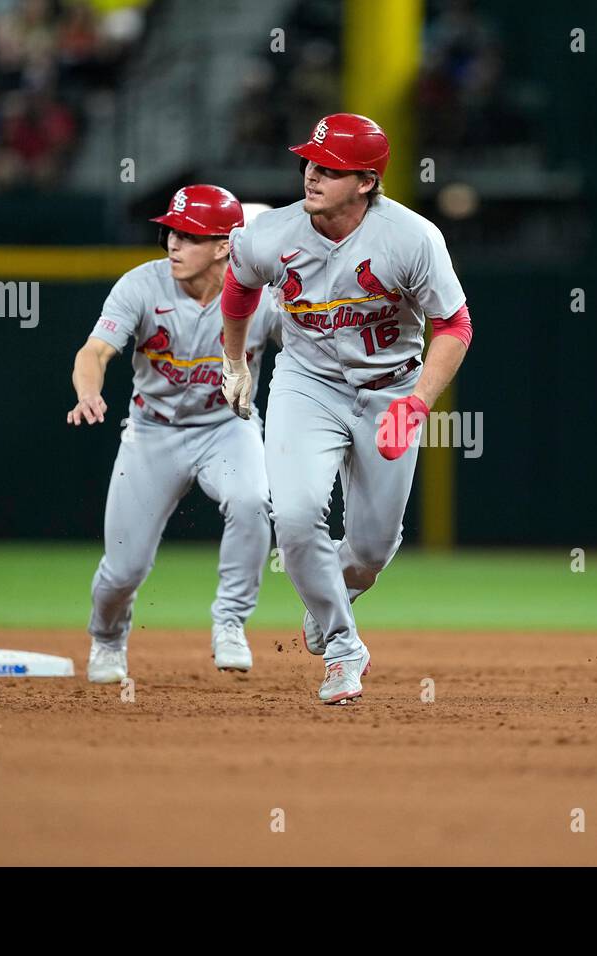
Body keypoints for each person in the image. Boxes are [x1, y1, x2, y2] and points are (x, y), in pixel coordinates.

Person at [218, 113, 474, 704]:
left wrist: (417, 403)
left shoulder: (411, 238)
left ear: (365, 182)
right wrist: (235, 362)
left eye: (330, 169)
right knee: (298, 514)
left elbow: (455, 323)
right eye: (310, 162)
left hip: (392, 385)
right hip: (307, 383)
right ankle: (341, 646)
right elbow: (239, 288)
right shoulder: (271, 234)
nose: (312, 174)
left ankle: (330, 591)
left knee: (372, 550)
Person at [68, 184, 281, 683]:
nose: (172, 245)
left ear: (224, 246)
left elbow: (313, 352)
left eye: (189, 236)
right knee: (123, 570)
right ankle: (106, 637)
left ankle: (229, 621)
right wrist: (87, 391)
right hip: (152, 433)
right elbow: (93, 352)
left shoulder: (263, 296)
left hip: (228, 425)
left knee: (252, 500)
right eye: (170, 233)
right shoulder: (142, 285)